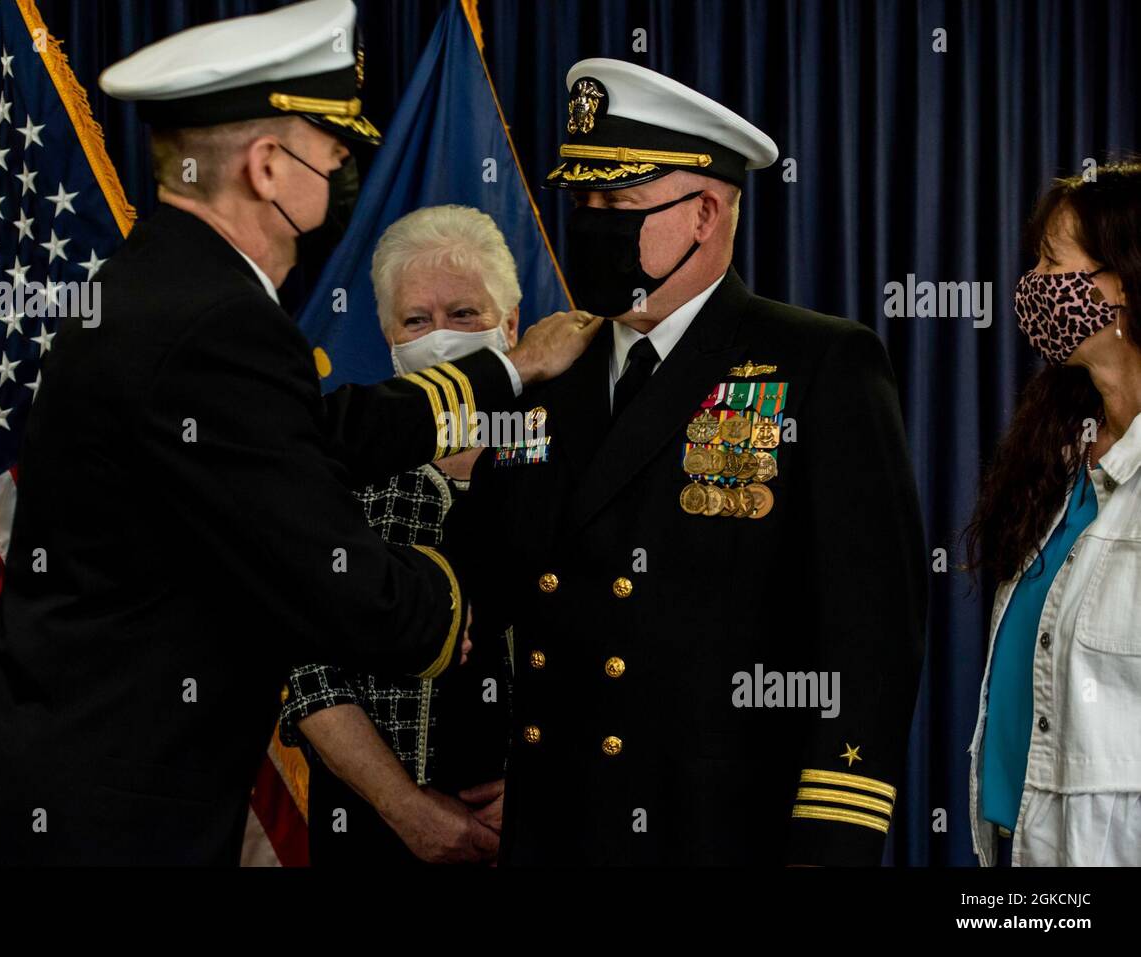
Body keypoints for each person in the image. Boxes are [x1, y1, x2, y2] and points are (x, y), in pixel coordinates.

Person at [0, 0, 599, 866]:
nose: (348, 165)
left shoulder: (162, 285)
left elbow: (316, 431)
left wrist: (506, 371)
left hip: (56, 798)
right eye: (332, 148)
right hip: (98, 828)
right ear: (270, 166)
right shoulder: (216, 321)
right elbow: (325, 565)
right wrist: (450, 604)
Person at [452, 59, 927, 865]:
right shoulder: (547, 375)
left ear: (706, 211)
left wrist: (832, 839)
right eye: (582, 201)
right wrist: (476, 767)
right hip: (553, 829)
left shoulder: (817, 365)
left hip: (723, 829)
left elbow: (868, 630)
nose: (591, 223)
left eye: (620, 203)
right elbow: (480, 589)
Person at [280, 205, 522, 866]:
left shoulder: (574, 460)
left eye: (466, 314)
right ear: (390, 336)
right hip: (373, 833)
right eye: (417, 320)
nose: (440, 338)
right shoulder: (336, 473)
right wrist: (405, 807)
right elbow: (306, 669)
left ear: (511, 325)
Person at [964, 161, 1141, 867]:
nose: (1033, 285)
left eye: (1051, 261)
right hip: (1019, 841)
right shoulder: (1061, 457)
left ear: (1121, 283)